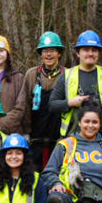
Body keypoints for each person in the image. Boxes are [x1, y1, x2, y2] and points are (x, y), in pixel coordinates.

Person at [27, 32, 67, 168]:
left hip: (60, 140)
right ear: (41, 54)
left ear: (59, 53)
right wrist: (25, 132)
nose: (48, 55)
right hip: (35, 141)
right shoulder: (32, 74)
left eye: (52, 51)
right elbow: (24, 105)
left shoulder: (68, 75)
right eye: (45, 51)